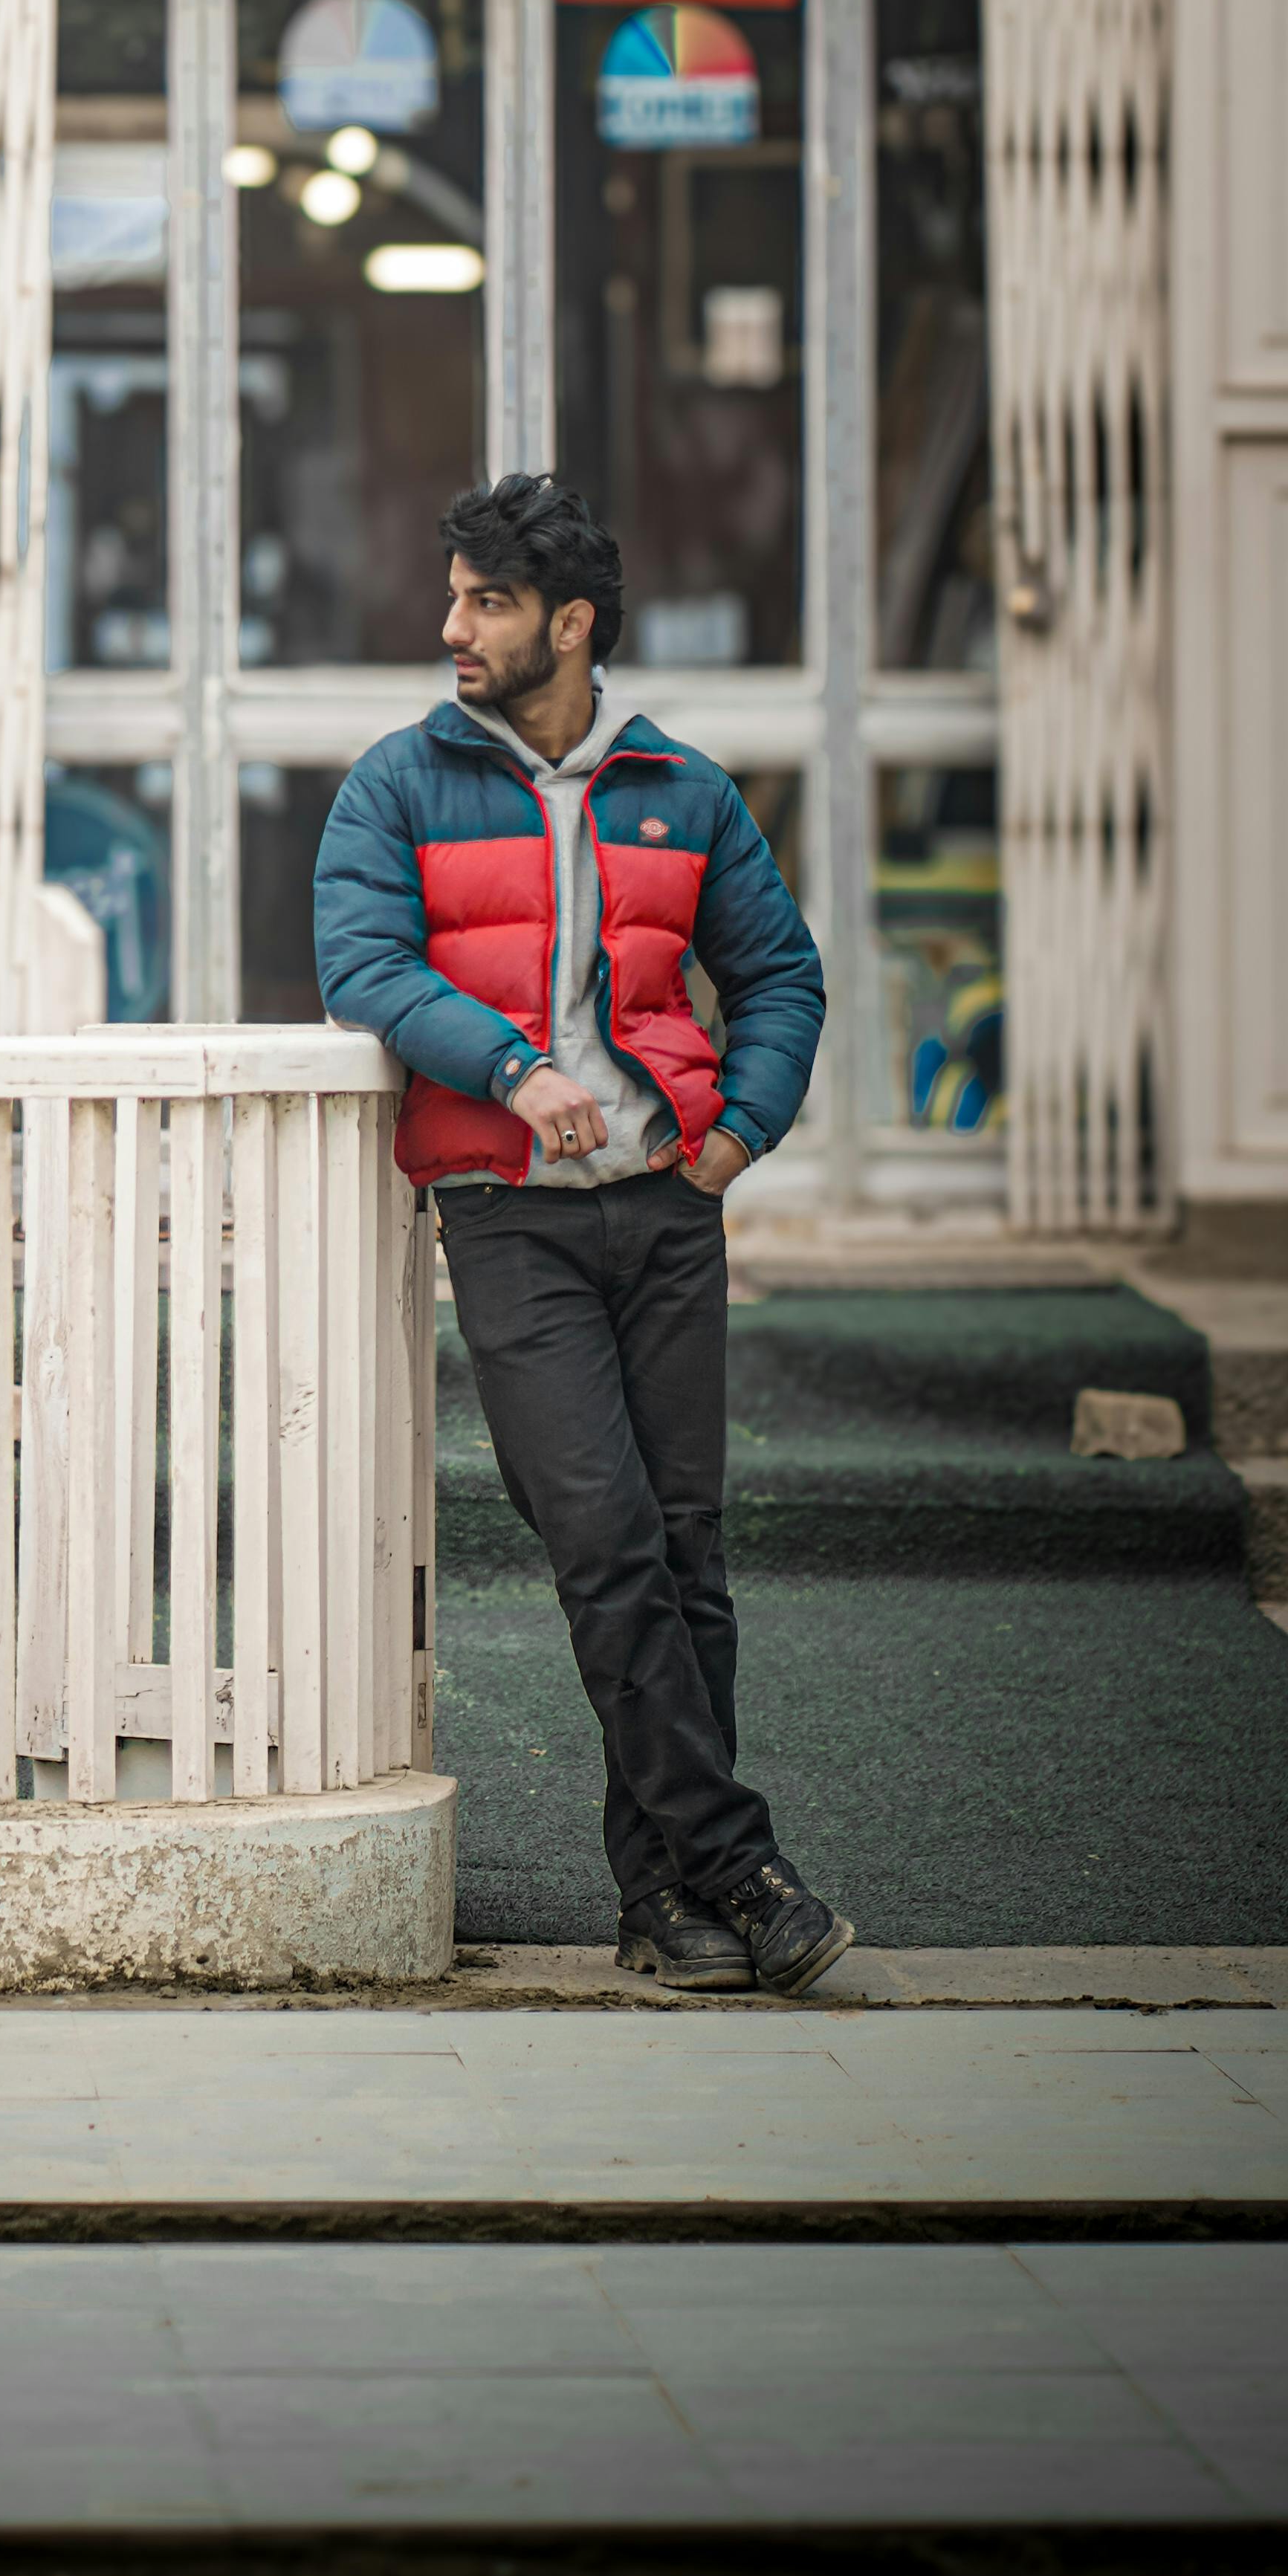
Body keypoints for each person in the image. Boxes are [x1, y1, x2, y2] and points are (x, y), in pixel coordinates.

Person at [311, 470, 850, 1997]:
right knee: (601, 1543)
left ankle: (662, 1907)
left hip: (664, 1217)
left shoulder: (681, 788)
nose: (451, 628)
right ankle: (740, 1862)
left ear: (569, 623)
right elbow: (359, 965)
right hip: (511, 1225)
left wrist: (733, 1135)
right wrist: (506, 1068)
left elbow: (782, 979)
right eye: (453, 596)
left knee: (683, 1560)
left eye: (484, 602)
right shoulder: (397, 785)